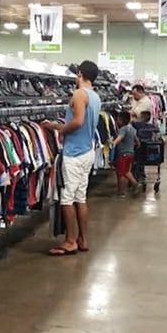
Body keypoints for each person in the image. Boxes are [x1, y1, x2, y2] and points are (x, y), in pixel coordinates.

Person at [43, 60, 101, 255]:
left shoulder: (79, 94)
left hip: (74, 153)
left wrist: (57, 128)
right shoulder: (95, 97)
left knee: (67, 198)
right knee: (80, 197)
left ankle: (70, 241)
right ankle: (82, 239)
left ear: (79, 74)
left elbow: (77, 122)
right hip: (87, 152)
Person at [112, 110, 138, 197]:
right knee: (127, 171)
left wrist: (114, 143)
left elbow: (120, 137)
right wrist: (136, 144)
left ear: (121, 120)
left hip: (123, 154)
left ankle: (122, 192)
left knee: (121, 173)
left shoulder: (123, 129)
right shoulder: (133, 129)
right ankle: (133, 184)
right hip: (131, 153)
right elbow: (137, 141)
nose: (117, 121)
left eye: (118, 120)